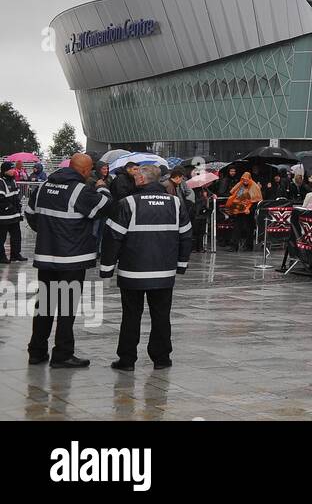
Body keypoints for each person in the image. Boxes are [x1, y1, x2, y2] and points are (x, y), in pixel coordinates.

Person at [99, 164, 192, 370]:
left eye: (136, 175)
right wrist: (181, 265)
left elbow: (112, 237)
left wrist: (106, 268)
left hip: (133, 272)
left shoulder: (128, 203)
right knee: (161, 316)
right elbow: (186, 235)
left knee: (131, 316)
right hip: (164, 272)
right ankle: (161, 358)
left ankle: (127, 359)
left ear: (141, 180)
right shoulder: (175, 204)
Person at [24, 153, 111, 368]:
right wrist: (102, 187)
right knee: (66, 307)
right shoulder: (80, 190)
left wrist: (46, 233)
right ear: (83, 170)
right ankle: (62, 354)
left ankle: (36, 351)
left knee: (44, 303)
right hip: (73, 259)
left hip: (46, 256)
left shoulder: (43, 186)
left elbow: (30, 214)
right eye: (90, 170)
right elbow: (105, 207)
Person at [223, 171, 262, 251]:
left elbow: (256, 199)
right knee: (237, 227)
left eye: (246, 180)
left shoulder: (254, 186)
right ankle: (234, 246)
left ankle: (248, 246)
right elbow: (237, 196)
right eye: (243, 180)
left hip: (250, 209)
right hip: (240, 209)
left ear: (249, 179)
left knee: (249, 228)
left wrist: (249, 209)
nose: (244, 181)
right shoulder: (241, 185)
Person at [0, 162, 27, 263]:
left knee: (16, 237)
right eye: (11, 169)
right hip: (3, 218)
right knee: (1, 238)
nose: (13, 170)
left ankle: (15, 255)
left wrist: (18, 211)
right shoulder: (1, 182)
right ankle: (1, 257)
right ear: (5, 170)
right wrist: (10, 208)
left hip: (14, 216)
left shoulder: (13, 181)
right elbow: (1, 200)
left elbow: (16, 197)